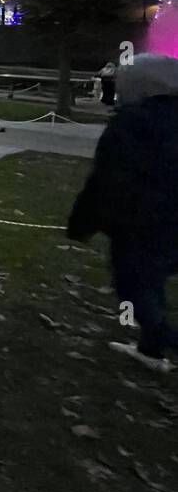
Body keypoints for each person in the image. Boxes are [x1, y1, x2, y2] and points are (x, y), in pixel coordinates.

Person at [68, 54, 178, 368]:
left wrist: (83, 221)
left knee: (134, 284)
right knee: (152, 280)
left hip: (139, 221)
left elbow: (108, 176)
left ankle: (162, 339)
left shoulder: (133, 122)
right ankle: (151, 349)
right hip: (164, 220)